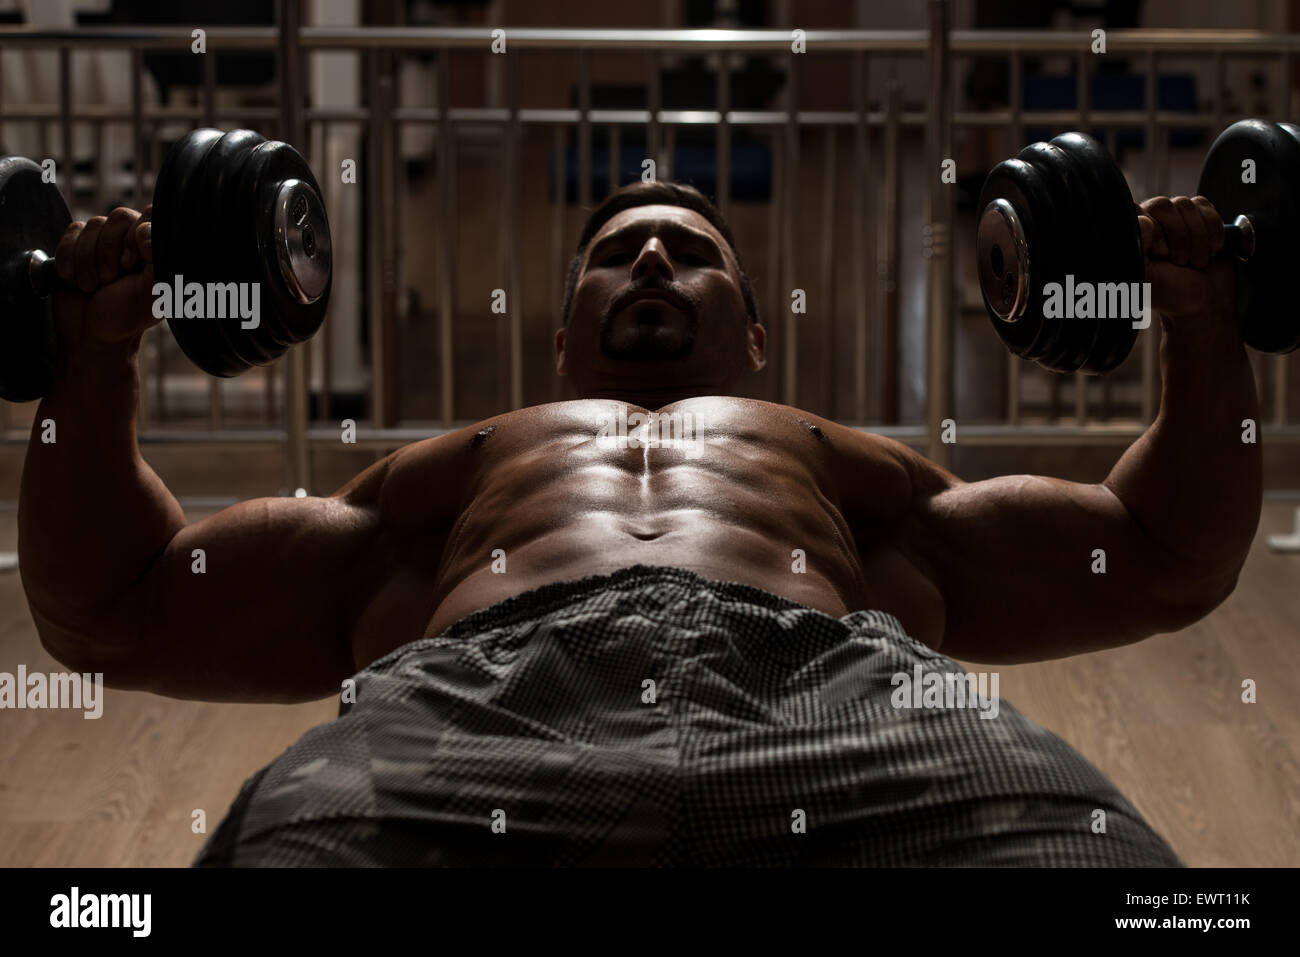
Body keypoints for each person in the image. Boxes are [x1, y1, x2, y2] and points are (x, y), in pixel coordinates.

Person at [20, 179, 1257, 866]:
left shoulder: (836, 463)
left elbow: (1160, 557)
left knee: (1116, 878)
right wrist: (95, 357)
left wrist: (1205, 329)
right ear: (562, 338)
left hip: (837, 699)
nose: (654, 261)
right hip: (480, 706)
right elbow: (114, 609)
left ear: (757, 339)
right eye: (619, 254)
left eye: (689, 251)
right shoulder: (456, 473)